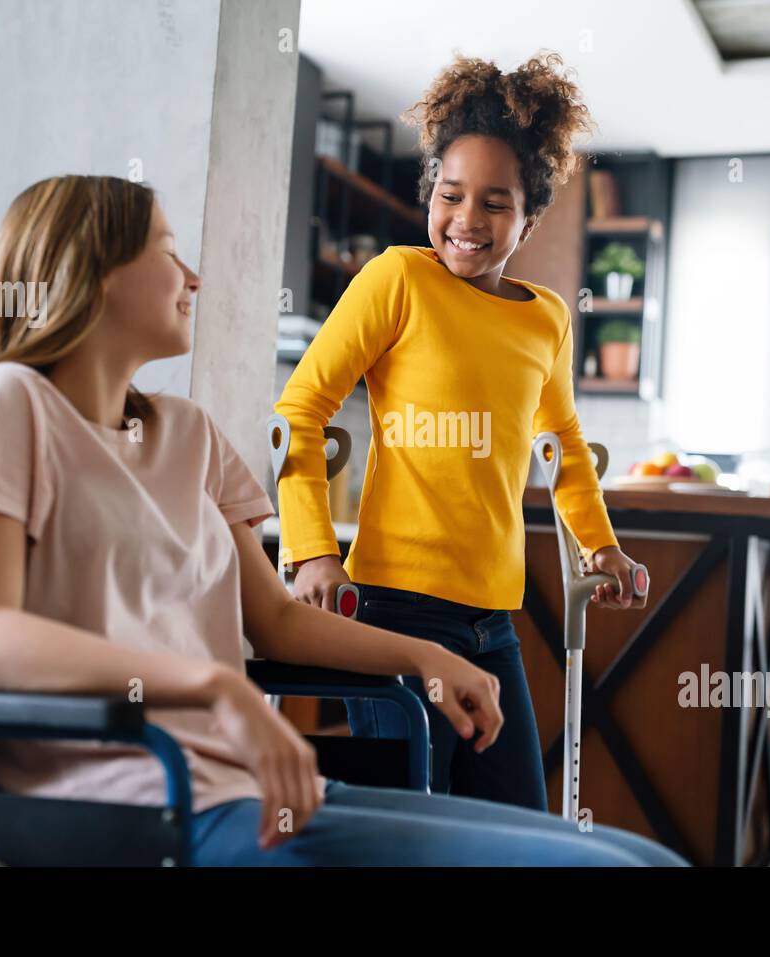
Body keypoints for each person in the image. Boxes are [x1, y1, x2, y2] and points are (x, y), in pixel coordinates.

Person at [0, 173, 687, 866]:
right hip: (134, 802)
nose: (192, 275)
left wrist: (429, 657)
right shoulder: (7, 404)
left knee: (640, 859)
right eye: (166, 250)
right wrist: (216, 690)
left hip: (254, 785)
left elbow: (279, 626)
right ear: (92, 269)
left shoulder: (188, 435)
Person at [275, 52, 646, 811]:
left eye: (495, 203)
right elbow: (300, 411)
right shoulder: (396, 281)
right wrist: (312, 549)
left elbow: (565, 446)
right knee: (406, 827)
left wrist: (600, 544)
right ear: (430, 195)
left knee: (516, 826)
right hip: (392, 612)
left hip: (492, 625)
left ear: (530, 220)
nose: (467, 220)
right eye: (451, 195)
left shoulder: (547, 319)